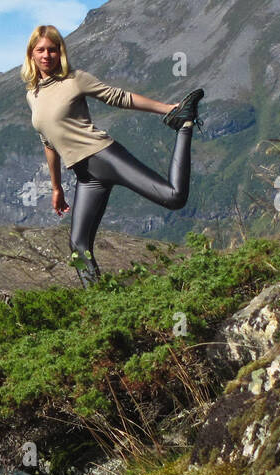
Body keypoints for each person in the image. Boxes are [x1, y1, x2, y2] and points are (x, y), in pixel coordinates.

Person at [22, 24, 202, 287]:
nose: (46, 55)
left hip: (105, 157)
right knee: (78, 246)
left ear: (60, 52)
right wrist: (56, 188)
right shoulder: (33, 95)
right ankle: (99, 304)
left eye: (52, 49)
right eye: (41, 50)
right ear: (31, 54)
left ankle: (184, 124)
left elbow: (118, 97)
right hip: (86, 177)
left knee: (174, 197)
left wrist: (167, 109)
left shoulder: (75, 79)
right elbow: (48, 142)